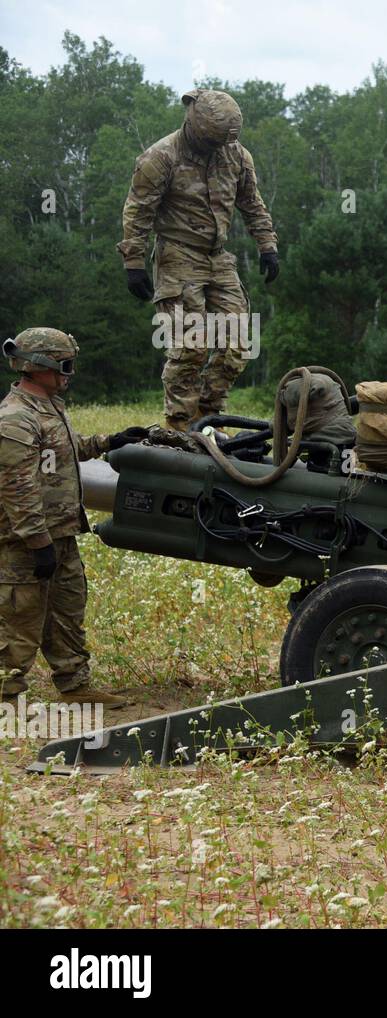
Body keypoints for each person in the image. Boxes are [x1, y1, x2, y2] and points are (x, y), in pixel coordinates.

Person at [0, 328, 149, 708]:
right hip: (26, 542)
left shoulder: (49, 408)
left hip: (60, 534)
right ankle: (7, 693)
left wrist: (109, 442)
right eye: (65, 365)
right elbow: (16, 487)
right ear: (39, 367)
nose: (70, 373)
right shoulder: (15, 419)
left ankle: (74, 685)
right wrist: (38, 543)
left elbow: (63, 453)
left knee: (67, 611)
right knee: (21, 617)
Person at [118, 89, 279, 432]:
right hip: (178, 253)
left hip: (217, 256)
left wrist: (267, 245)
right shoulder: (161, 157)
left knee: (237, 342)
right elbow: (138, 211)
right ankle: (179, 425)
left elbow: (251, 203)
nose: (217, 150)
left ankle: (207, 419)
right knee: (192, 345)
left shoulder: (235, 155)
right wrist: (133, 263)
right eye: (211, 143)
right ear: (192, 123)